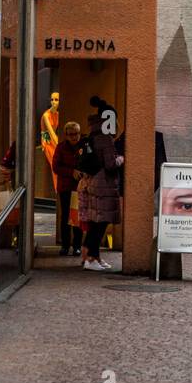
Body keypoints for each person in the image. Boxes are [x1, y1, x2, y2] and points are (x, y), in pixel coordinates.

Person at [76, 108, 124, 272]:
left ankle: (94, 257)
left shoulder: (91, 138)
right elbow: (110, 164)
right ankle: (91, 258)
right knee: (100, 224)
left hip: (91, 183)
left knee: (95, 222)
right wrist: (121, 159)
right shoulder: (106, 140)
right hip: (104, 186)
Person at [51, 121, 83, 257]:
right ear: (66, 135)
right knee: (65, 216)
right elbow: (56, 167)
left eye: (76, 134)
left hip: (80, 187)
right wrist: (71, 172)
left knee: (78, 217)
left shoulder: (84, 146)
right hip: (65, 187)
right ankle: (65, 245)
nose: (74, 137)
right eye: (71, 135)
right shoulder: (61, 147)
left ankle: (77, 246)